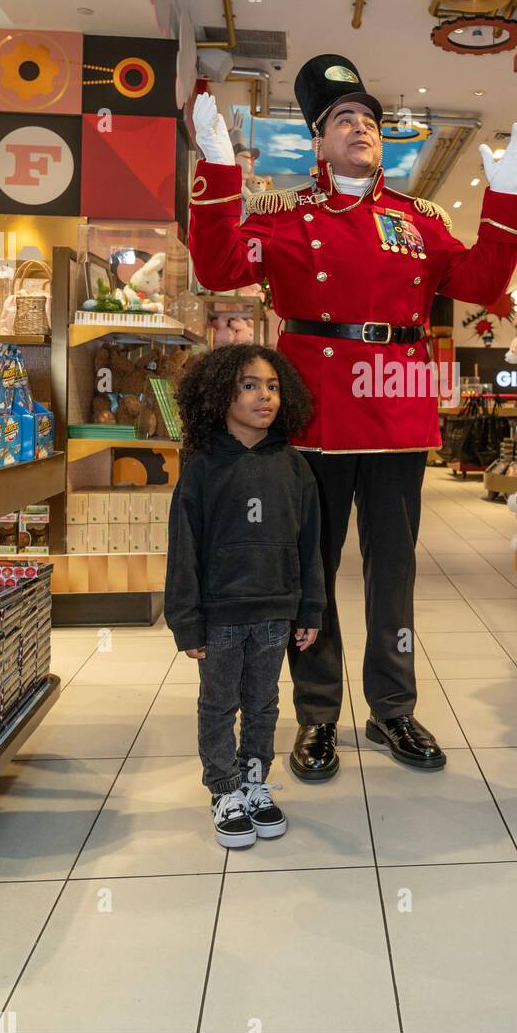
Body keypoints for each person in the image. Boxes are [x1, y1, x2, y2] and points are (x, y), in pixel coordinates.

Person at [187, 56, 517, 780]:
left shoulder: (418, 220)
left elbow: (481, 282)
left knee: (394, 573)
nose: (361, 129)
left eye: (371, 121)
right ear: (319, 142)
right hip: (314, 412)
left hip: (398, 405)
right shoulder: (286, 218)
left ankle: (393, 708)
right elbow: (219, 267)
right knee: (311, 569)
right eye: (345, 119)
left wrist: (506, 191)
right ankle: (318, 714)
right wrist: (218, 168)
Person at [164, 344, 324, 849]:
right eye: (250, 386)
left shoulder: (294, 466)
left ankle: (255, 781)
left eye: (273, 387)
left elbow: (311, 543)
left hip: (276, 612)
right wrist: (186, 621)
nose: (265, 396)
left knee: (264, 704)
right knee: (219, 704)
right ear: (219, 396)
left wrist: (310, 607)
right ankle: (224, 789)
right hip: (220, 616)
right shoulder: (203, 466)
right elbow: (183, 546)